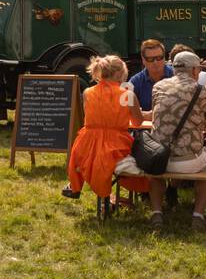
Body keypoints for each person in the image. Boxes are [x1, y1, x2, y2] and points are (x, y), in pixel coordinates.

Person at [63, 55, 166, 227]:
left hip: (86, 144)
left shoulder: (87, 93)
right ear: (119, 75)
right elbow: (138, 122)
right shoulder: (127, 95)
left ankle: (76, 186)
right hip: (115, 145)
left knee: (87, 157)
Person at [150, 52, 206, 231]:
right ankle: (198, 214)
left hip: (159, 158)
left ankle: (156, 213)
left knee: (153, 173)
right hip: (188, 161)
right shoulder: (203, 91)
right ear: (193, 70)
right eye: (198, 69)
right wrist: (199, 119)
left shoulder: (158, 87)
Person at [128, 39, 172, 118]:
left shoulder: (176, 75)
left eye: (159, 58)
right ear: (143, 60)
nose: (155, 62)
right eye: (150, 59)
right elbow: (123, 109)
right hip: (145, 129)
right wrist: (145, 115)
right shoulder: (134, 81)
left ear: (164, 57)